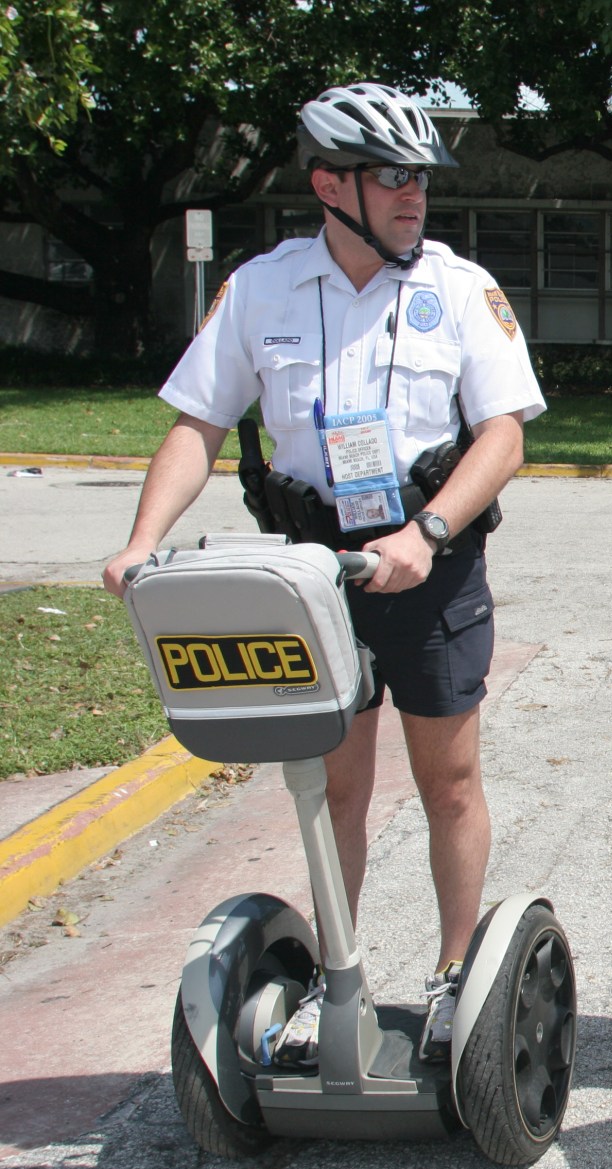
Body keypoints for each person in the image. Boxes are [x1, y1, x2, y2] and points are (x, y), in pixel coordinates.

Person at [103, 82, 545, 1063]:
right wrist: (141, 540)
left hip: (428, 567)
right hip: (312, 577)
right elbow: (199, 425)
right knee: (333, 789)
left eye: (420, 177)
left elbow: (505, 436)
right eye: (391, 176)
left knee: (450, 782)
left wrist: (426, 533)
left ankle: (451, 977)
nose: (413, 194)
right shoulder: (261, 290)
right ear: (328, 184)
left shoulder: (459, 289)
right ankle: (335, 980)